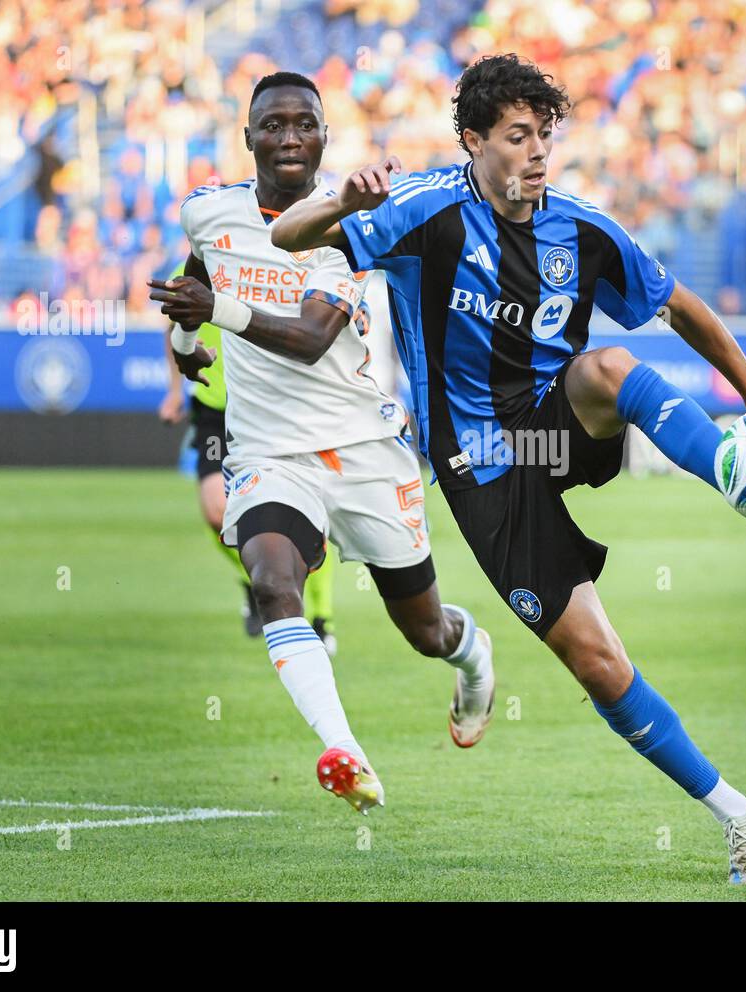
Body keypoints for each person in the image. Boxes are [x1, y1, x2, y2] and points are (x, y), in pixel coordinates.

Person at [270, 54, 746, 885]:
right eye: (516, 136)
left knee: (608, 367)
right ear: (473, 140)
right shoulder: (422, 209)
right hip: (481, 470)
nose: (537, 152)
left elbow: (678, 304)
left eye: (545, 134)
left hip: (557, 424)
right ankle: (739, 816)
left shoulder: (581, 228)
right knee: (601, 666)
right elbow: (289, 234)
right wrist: (344, 200)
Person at [149, 72, 496, 816]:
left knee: (426, 632)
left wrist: (217, 312)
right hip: (269, 455)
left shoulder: (349, 221)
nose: (289, 138)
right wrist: (186, 344)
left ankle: (472, 654)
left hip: (364, 451)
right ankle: (347, 751)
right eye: (272, 125)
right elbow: (196, 276)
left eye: (304, 123)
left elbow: (309, 339)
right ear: (249, 139)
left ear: (325, 137)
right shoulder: (210, 211)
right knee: (274, 583)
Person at [157, 259, 338, 647]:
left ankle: (320, 614)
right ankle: (253, 581)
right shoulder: (197, 254)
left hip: (271, 405)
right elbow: (171, 323)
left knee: (304, 515)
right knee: (216, 512)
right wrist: (175, 390)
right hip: (215, 406)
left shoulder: (271, 258)